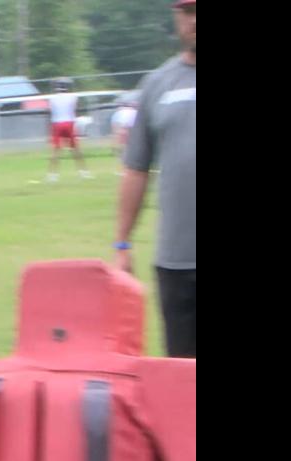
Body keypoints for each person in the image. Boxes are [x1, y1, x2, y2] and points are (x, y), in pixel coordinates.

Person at [114, 0, 195, 358]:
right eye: (190, 12)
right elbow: (136, 169)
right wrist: (122, 243)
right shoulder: (157, 85)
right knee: (182, 375)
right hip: (177, 261)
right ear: (177, 18)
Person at [46, 77, 91, 181]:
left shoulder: (52, 98)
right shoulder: (73, 97)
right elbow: (74, 108)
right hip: (69, 123)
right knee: (75, 149)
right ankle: (83, 172)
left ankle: (52, 175)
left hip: (57, 123)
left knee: (56, 150)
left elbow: (51, 110)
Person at [110, 92, 139, 175]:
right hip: (129, 130)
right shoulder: (133, 111)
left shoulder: (119, 113)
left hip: (124, 130)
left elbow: (115, 127)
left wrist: (115, 139)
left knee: (124, 150)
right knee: (129, 149)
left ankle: (124, 168)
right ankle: (129, 167)